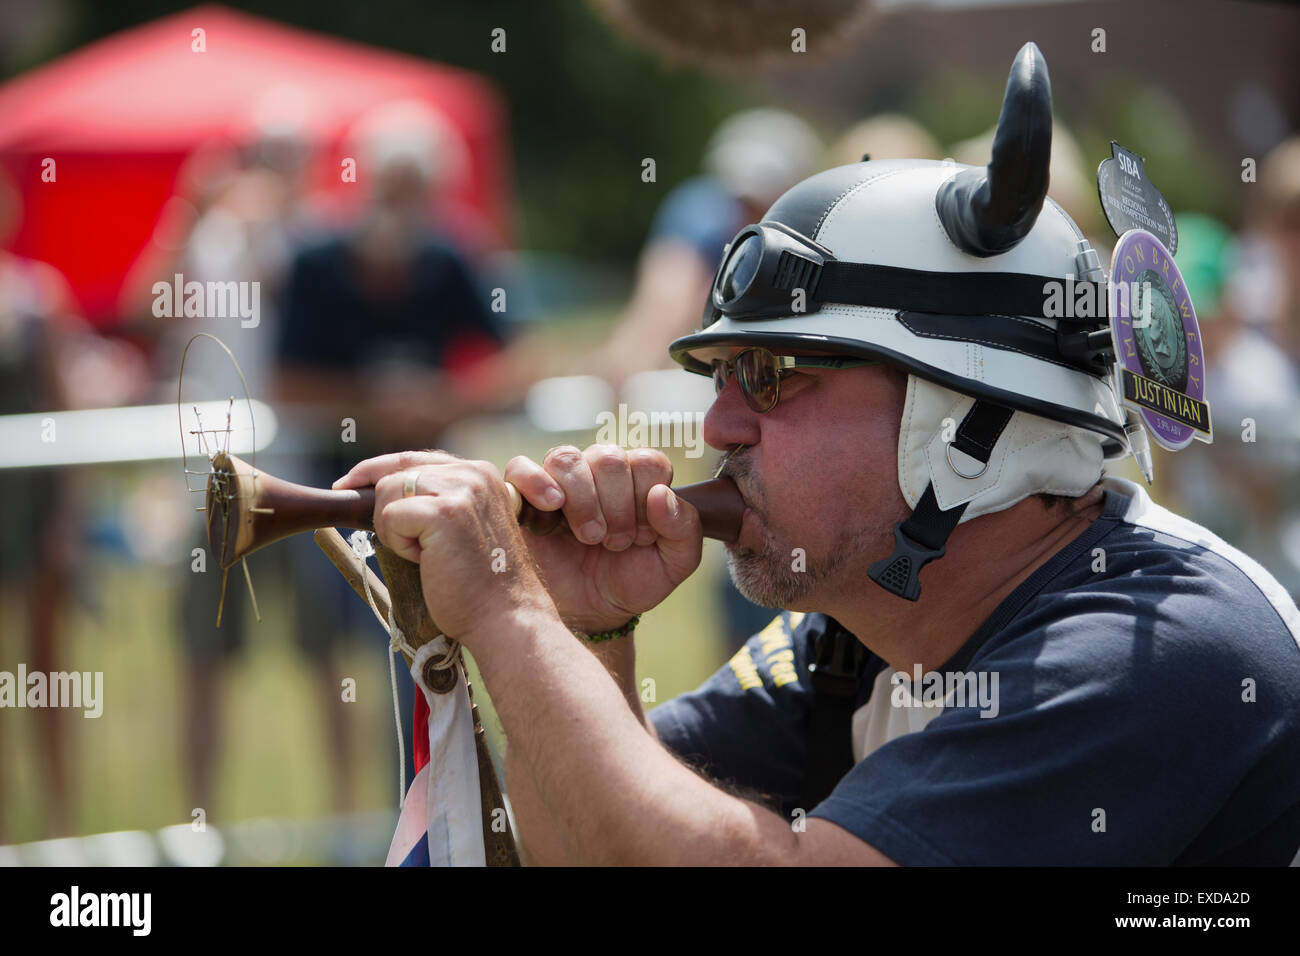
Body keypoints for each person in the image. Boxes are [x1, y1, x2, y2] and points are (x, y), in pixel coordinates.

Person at [333, 45, 1300, 865]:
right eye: (719, 378)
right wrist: (589, 636)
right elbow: (584, 845)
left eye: (775, 374)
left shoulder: (1152, 647)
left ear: (968, 428)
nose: (716, 429)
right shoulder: (858, 630)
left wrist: (509, 611)